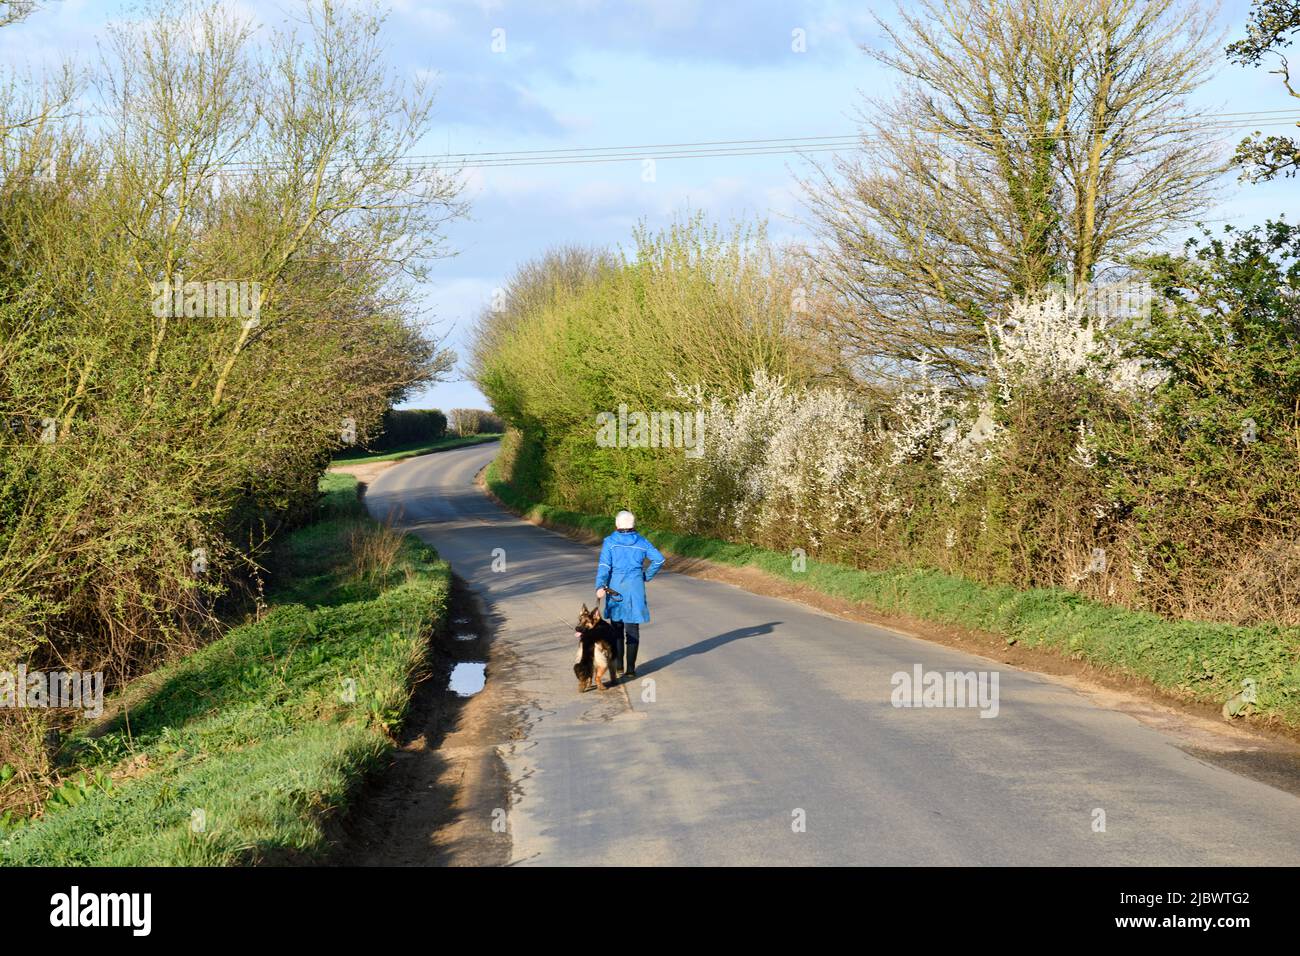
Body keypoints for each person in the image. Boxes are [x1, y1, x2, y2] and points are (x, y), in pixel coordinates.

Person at [594, 509, 664, 679]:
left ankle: (619, 666)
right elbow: (659, 559)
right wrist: (646, 575)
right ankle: (631, 670)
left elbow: (604, 566)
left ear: (617, 524)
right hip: (635, 587)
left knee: (616, 627)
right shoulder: (642, 541)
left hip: (615, 586)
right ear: (633, 524)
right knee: (632, 628)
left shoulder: (610, 542)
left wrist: (600, 585)